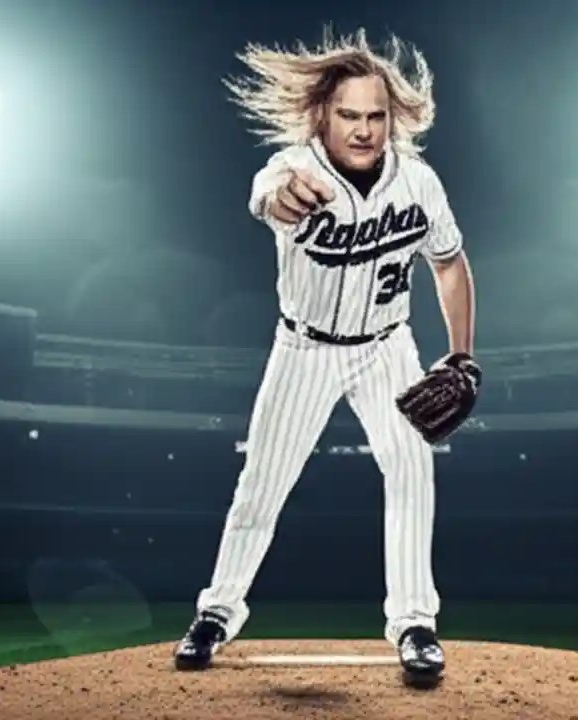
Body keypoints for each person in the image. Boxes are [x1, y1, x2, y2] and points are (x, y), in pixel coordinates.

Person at [174, 27, 477, 689]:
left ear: (391, 118)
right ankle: (216, 614)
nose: (364, 129)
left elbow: (450, 265)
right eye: (349, 115)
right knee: (262, 484)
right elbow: (267, 195)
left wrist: (461, 358)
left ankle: (416, 624)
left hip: (386, 346)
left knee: (412, 470)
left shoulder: (419, 184)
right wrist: (279, 200)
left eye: (376, 116)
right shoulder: (294, 169)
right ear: (322, 115)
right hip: (303, 349)